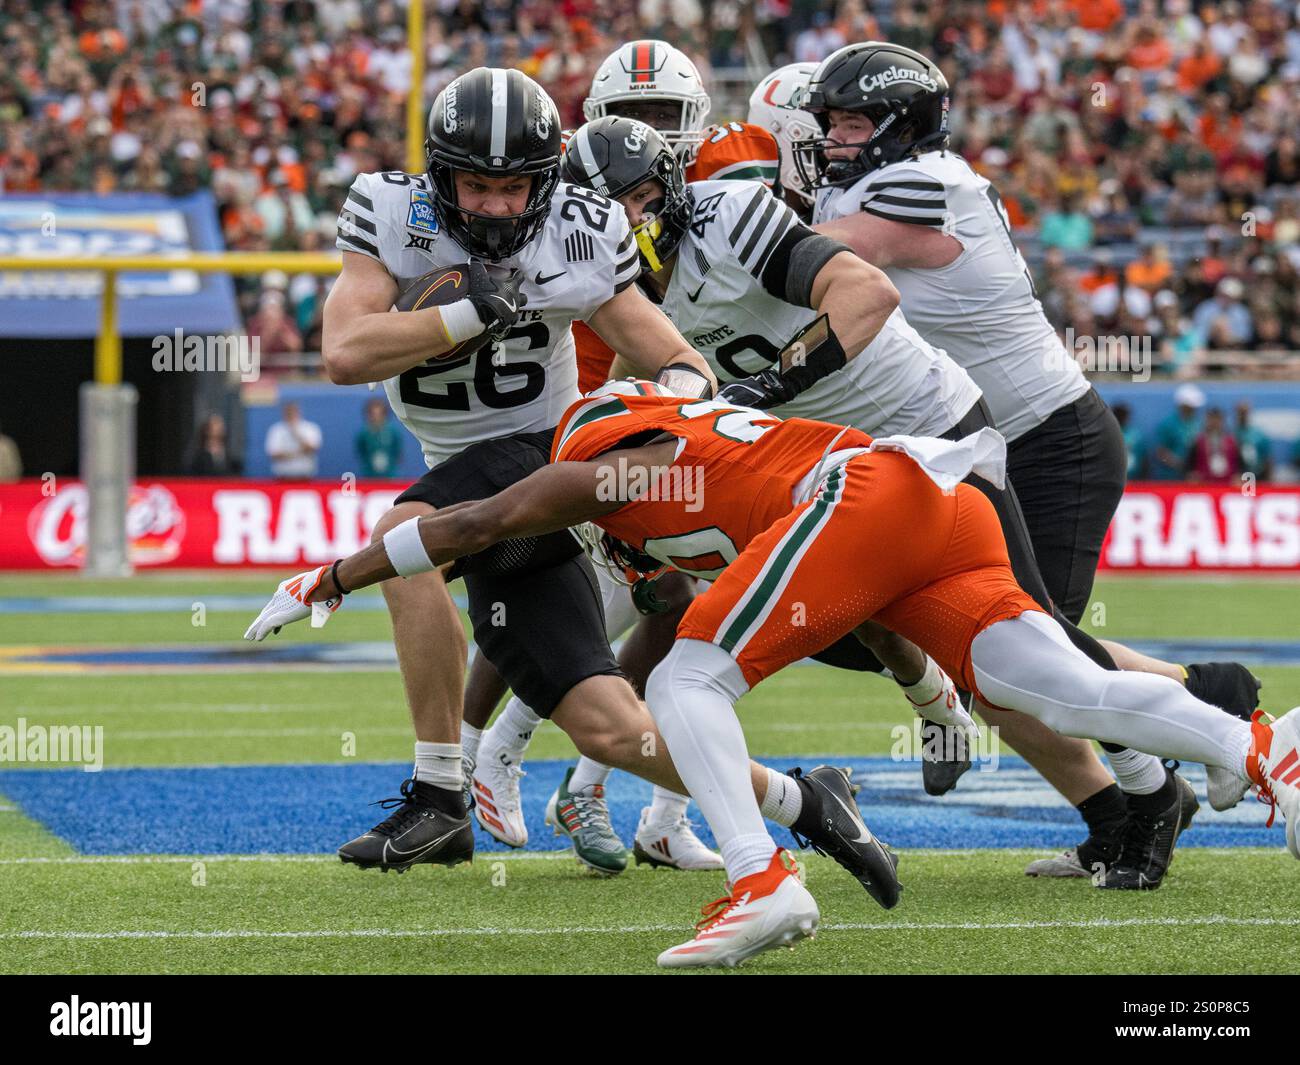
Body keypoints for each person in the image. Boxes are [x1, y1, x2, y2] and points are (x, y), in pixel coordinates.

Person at [247, 382, 1300, 968]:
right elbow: (678, 613)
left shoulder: (615, 457)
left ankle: (759, 883)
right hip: (935, 501)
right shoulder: (697, 457)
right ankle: (1260, 749)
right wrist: (934, 699)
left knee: (690, 689)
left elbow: (476, 522)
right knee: (1049, 685)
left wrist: (326, 576)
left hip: (864, 494)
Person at [316, 68, 898, 895]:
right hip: (470, 475)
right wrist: (464, 314)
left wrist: (658, 436)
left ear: (545, 183)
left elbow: (679, 360)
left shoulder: (578, 229)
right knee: (610, 727)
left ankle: (441, 791)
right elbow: (344, 353)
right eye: (473, 184)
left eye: (511, 187)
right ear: (439, 176)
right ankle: (805, 799)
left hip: (544, 457)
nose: (490, 205)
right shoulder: (393, 213)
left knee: (402, 546)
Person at [792, 41, 1261, 880]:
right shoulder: (879, 181)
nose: (836, 137)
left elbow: (795, 259)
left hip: (1049, 442)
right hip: (987, 447)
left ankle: (1214, 708)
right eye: (831, 121)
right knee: (1006, 659)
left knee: (1030, 656)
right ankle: (1137, 804)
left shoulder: (925, 185)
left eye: (855, 121)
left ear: (904, 127)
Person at [1153, 382, 1206, 479]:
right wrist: (1179, 464)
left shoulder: (1198, 423)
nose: (1193, 409)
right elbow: (1160, 452)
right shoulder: (1168, 424)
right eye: (1190, 406)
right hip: (1171, 477)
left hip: (1194, 478)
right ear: (1182, 405)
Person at [264, 401, 321, 480]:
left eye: (293, 412)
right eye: (288, 412)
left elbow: (312, 448)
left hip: (305, 475)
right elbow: (273, 454)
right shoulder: (276, 429)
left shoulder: (310, 428)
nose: (290, 415)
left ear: (298, 412)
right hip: (283, 476)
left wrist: (295, 433)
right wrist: (297, 453)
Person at [1189, 406, 1241, 484]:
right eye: (1211, 419)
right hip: (1204, 483)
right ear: (1207, 421)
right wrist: (1193, 475)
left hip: (1229, 483)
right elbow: (1190, 465)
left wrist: (1239, 476)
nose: (1214, 423)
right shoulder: (1198, 441)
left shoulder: (1232, 441)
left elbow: (1240, 464)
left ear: (1222, 421)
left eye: (1218, 419)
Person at [354, 397, 401, 478]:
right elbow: (361, 452)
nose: (376, 418)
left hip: (390, 475)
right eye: (373, 414)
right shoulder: (363, 434)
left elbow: (397, 452)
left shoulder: (393, 432)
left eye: (380, 414)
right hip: (369, 474)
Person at [1234, 400, 1273, 482]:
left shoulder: (1259, 434)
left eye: (1245, 412)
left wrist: (1268, 479)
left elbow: (1267, 458)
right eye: (1240, 412)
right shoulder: (1231, 433)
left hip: (1258, 474)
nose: (1242, 415)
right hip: (1239, 476)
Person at [1113, 403, 1147, 480]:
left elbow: (1144, 457)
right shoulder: (1107, 433)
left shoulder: (1135, 434)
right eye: (1118, 414)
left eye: (1123, 415)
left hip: (1134, 477)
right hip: (1112, 478)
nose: (1121, 417)